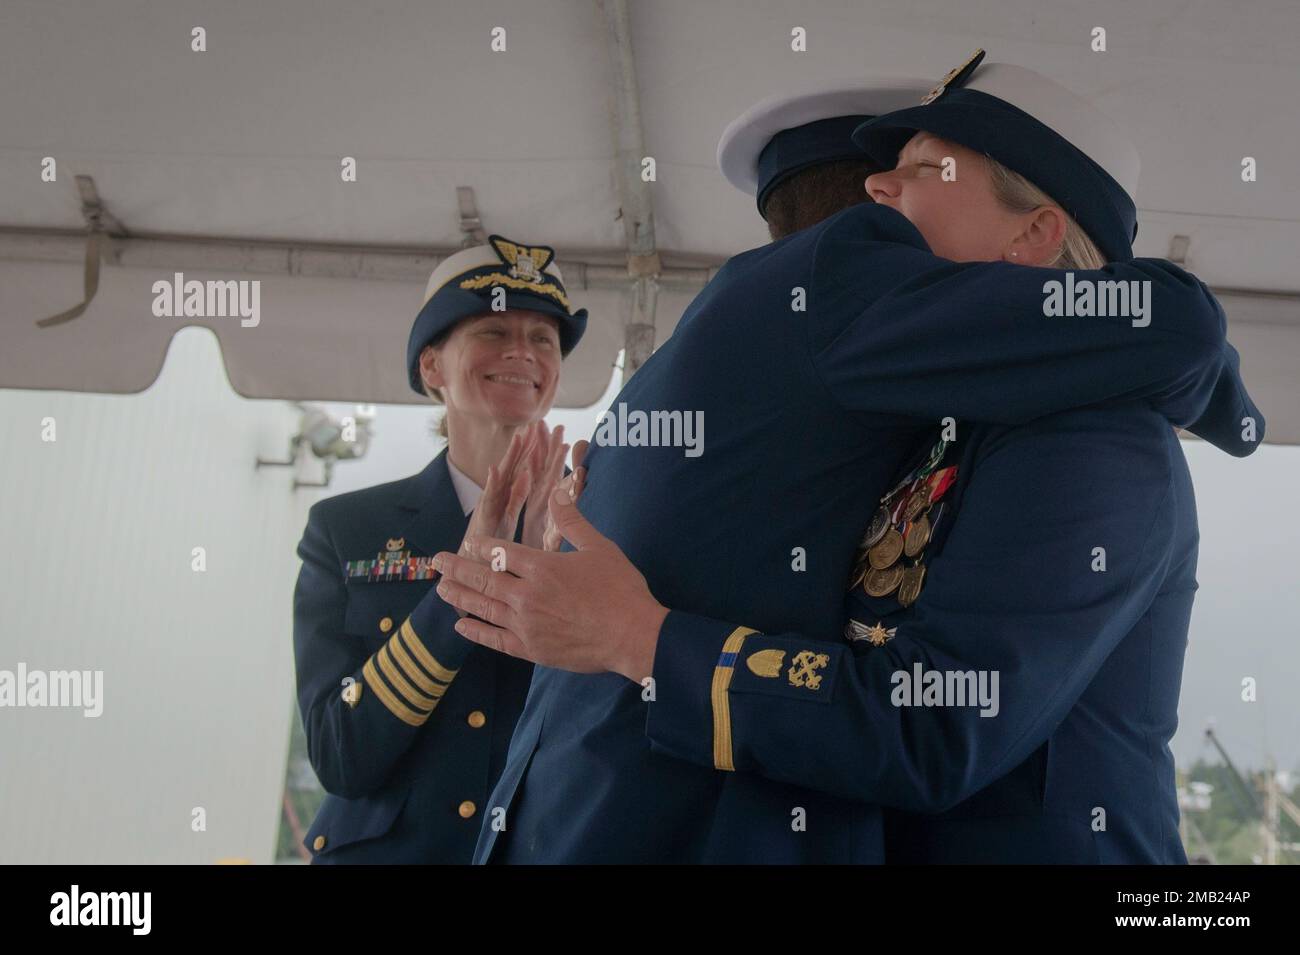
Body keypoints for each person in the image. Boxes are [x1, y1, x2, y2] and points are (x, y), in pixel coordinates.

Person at [437, 55, 1261, 864]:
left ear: (1037, 231)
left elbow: (931, 727)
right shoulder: (937, 417)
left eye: (923, 168)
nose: (874, 188)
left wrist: (642, 637)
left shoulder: (1096, 440)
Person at [291, 234, 585, 862]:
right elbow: (342, 756)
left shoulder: (599, 527)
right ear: (432, 367)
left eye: (542, 338)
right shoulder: (346, 529)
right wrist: (467, 582)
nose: (522, 353)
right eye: (492, 331)